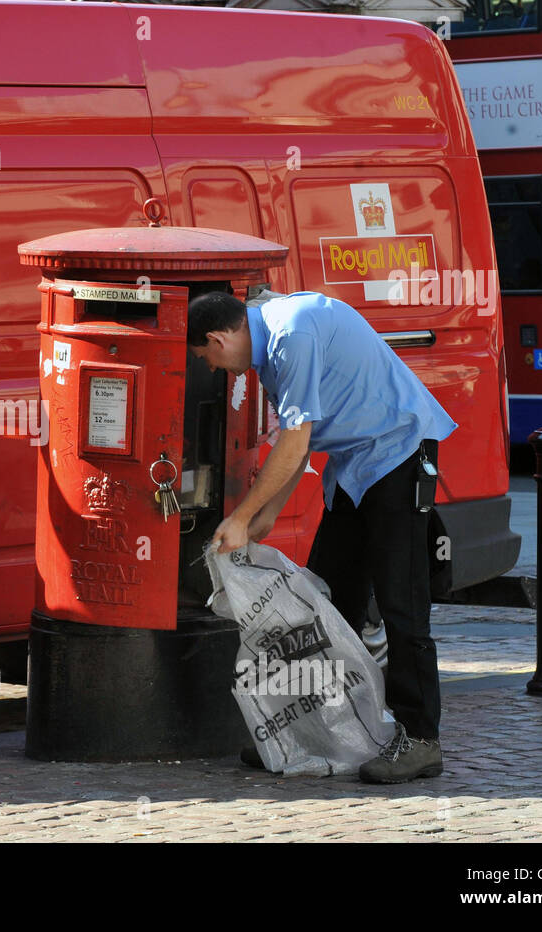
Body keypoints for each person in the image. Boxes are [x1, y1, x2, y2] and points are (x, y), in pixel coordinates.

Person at [188, 288, 457, 784]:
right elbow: (301, 443)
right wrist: (267, 515)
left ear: (218, 337)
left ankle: (421, 740)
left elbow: (294, 441)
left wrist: (244, 517)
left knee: (403, 605)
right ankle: (321, 729)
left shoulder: (293, 333)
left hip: (397, 454)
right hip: (356, 466)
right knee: (328, 601)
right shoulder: (272, 345)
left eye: (209, 357)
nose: (216, 369)